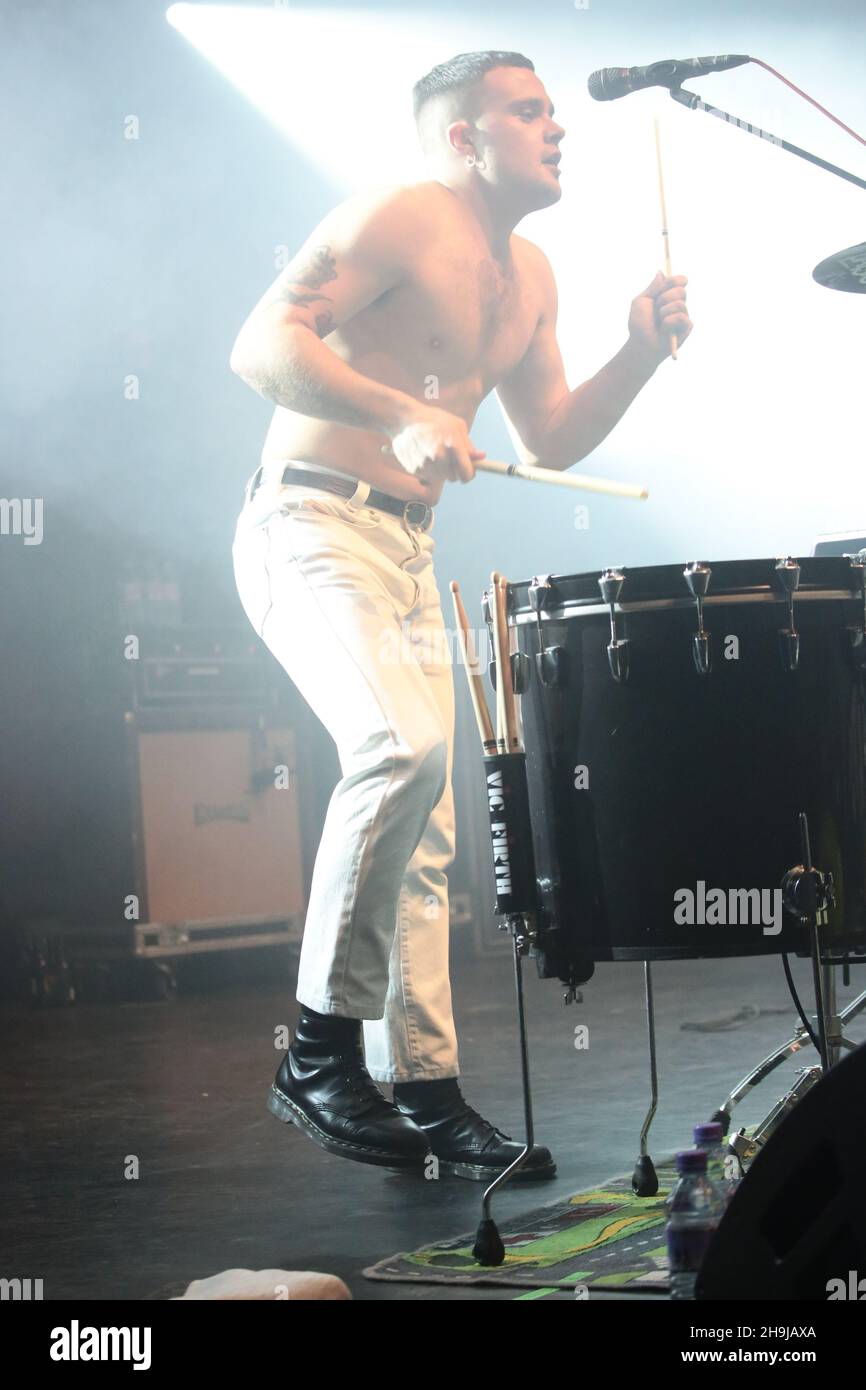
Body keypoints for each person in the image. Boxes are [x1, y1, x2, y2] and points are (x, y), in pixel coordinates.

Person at [229, 50, 692, 1182]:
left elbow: (550, 439)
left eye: (550, 110)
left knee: (431, 826)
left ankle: (424, 1089)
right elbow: (259, 348)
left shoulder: (529, 271)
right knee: (401, 749)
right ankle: (317, 1051)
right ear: (460, 138)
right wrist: (396, 415)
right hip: (309, 525)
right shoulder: (398, 216)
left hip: (402, 546)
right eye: (525, 110)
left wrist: (637, 349)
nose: (554, 125)